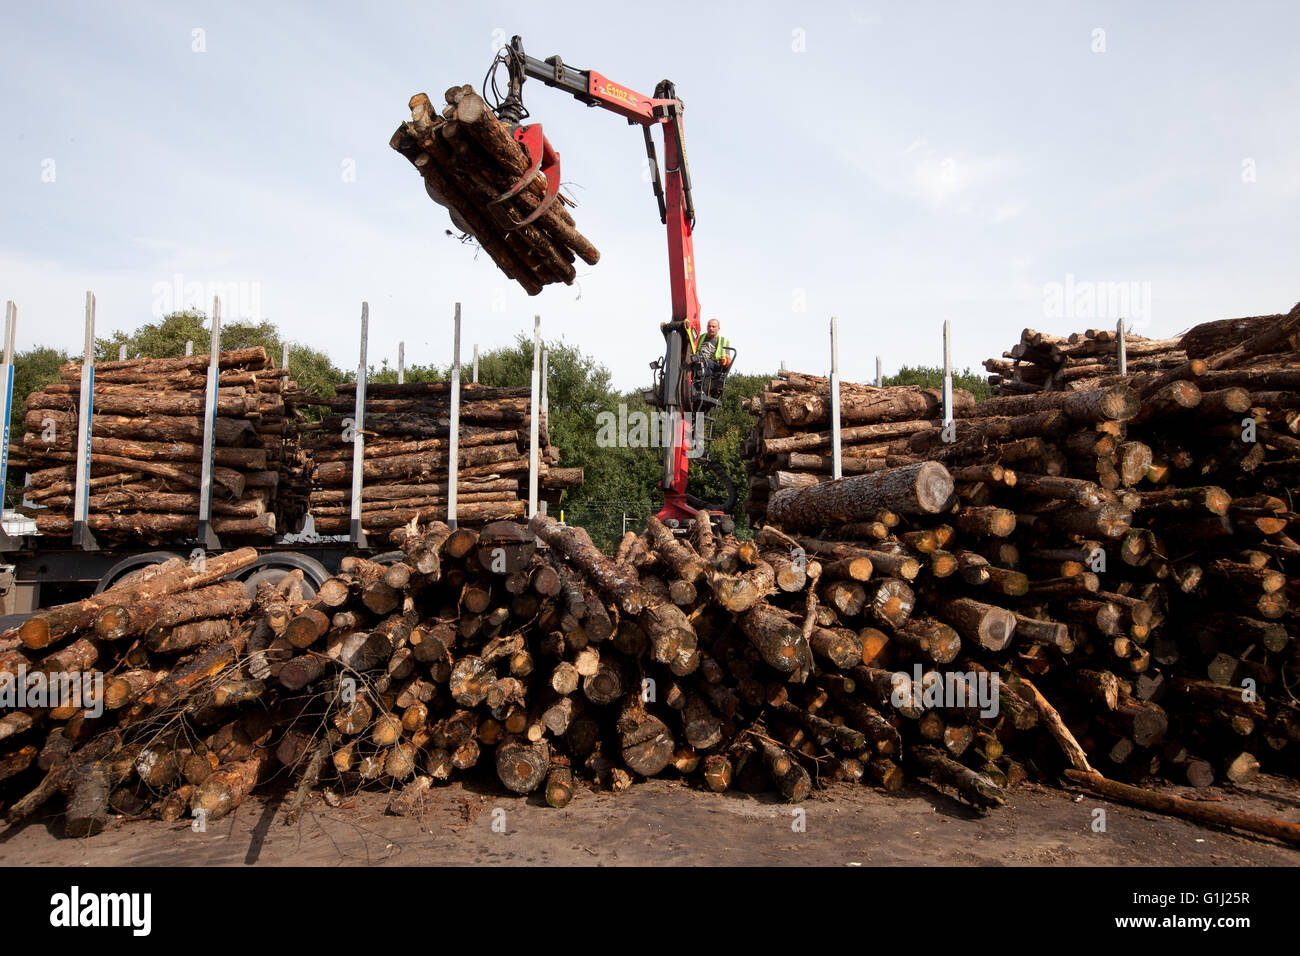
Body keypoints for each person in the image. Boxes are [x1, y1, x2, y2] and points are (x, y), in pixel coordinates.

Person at [692, 318, 730, 399]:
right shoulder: (701, 337)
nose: (711, 328)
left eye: (713, 326)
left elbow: (728, 360)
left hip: (715, 364)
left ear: (718, 328)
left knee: (704, 362)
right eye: (709, 326)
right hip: (699, 360)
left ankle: (703, 390)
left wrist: (725, 360)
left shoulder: (723, 341)